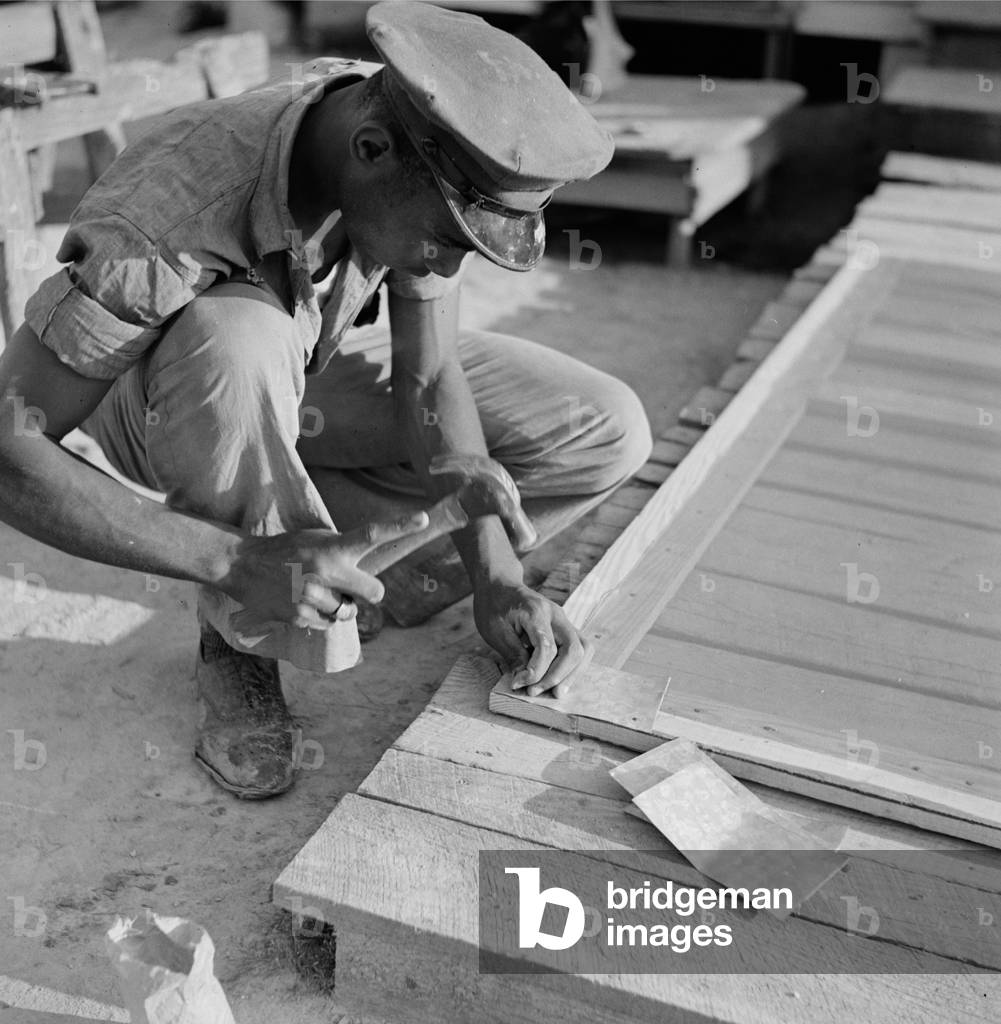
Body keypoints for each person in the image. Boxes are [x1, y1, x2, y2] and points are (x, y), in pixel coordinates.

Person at [0, 2, 652, 798]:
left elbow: (426, 375)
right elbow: (9, 447)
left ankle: (371, 578)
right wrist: (233, 558)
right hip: (167, 393)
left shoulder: (409, 145)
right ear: (371, 151)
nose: (448, 267)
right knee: (234, 341)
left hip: (308, 360)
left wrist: (496, 571)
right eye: (447, 244)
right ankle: (244, 637)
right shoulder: (169, 214)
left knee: (604, 429)